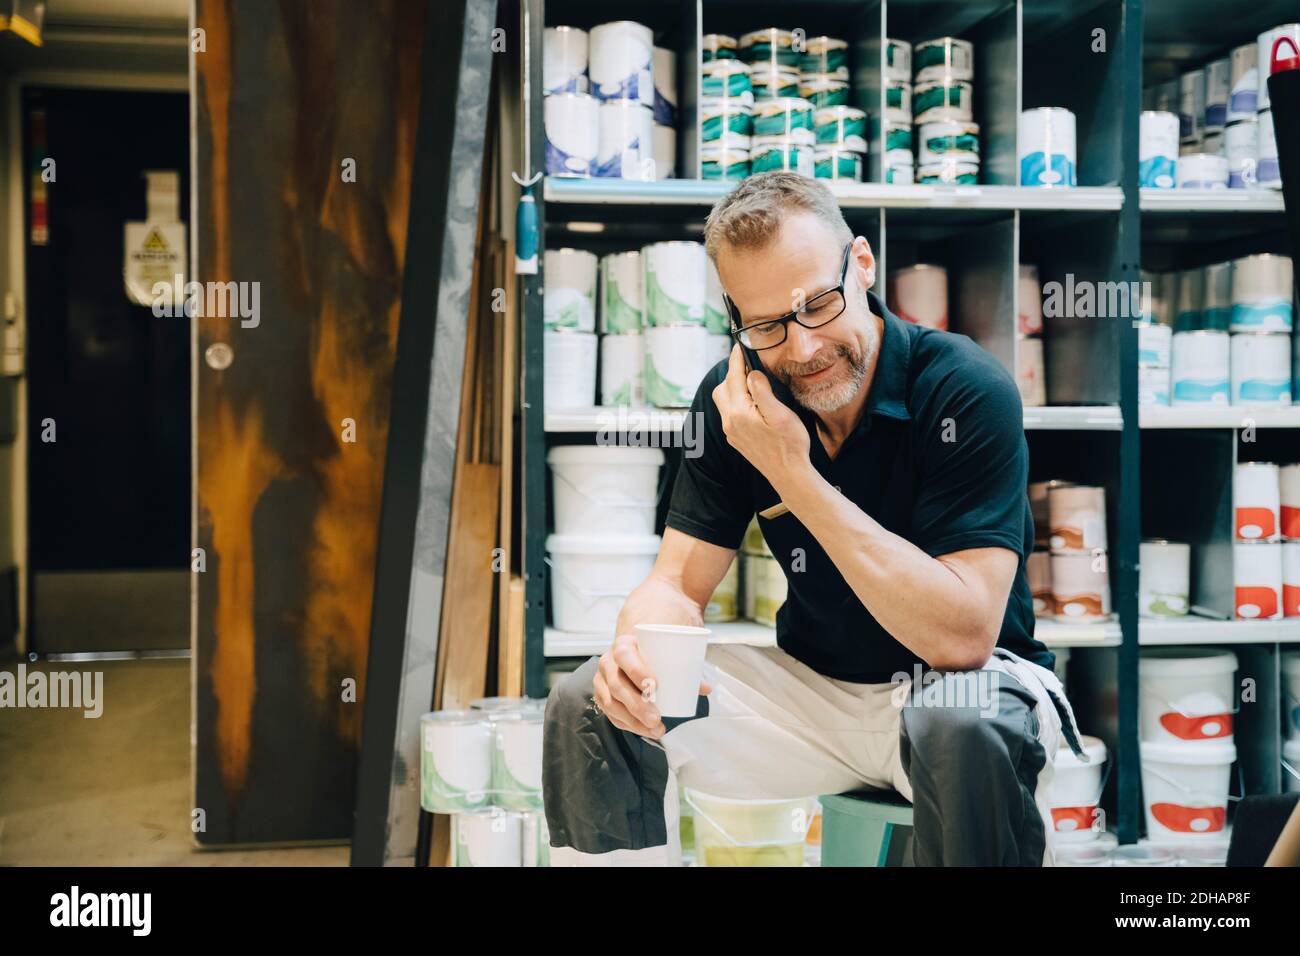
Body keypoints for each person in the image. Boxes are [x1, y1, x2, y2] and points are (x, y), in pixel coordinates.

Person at [542, 171, 1086, 866]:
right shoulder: (733, 399)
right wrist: (635, 655)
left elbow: (964, 636)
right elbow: (675, 584)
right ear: (734, 317)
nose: (800, 349)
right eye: (766, 324)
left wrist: (794, 475)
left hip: (968, 692)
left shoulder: (963, 389)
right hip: (812, 694)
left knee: (958, 722)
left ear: (861, 265)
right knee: (588, 701)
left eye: (819, 306)